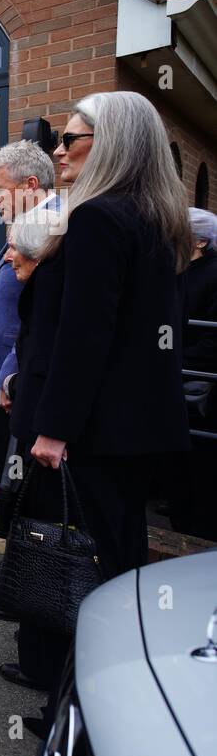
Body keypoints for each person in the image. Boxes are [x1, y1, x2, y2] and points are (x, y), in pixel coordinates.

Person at [11, 91, 191, 729]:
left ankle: (86, 711)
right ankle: (91, 696)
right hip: (141, 428)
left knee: (89, 572)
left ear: (110, 145)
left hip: (97, 431)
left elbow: (86, 336)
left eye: (73, 138)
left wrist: (54, 428)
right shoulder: (158, 219)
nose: (60, 149)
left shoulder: (96, 219)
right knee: (119, 562)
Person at [0, 140, 57, 583]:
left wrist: (5, 378)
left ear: (31, 184)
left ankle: (22, 578)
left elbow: (39, 321)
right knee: (10, 481)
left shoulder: (52, 231)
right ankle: (14, 567)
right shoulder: (24, 229)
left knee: (23, 488)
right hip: (2, 391)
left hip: (17, 390)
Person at [167, 208, 217, 540]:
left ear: (199, 241)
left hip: (200, 388)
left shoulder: (210, 275)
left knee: (199, 464)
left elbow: (211, 340)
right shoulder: (186, 270)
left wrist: (175, 357)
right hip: (183, 378)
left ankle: (197, 527)